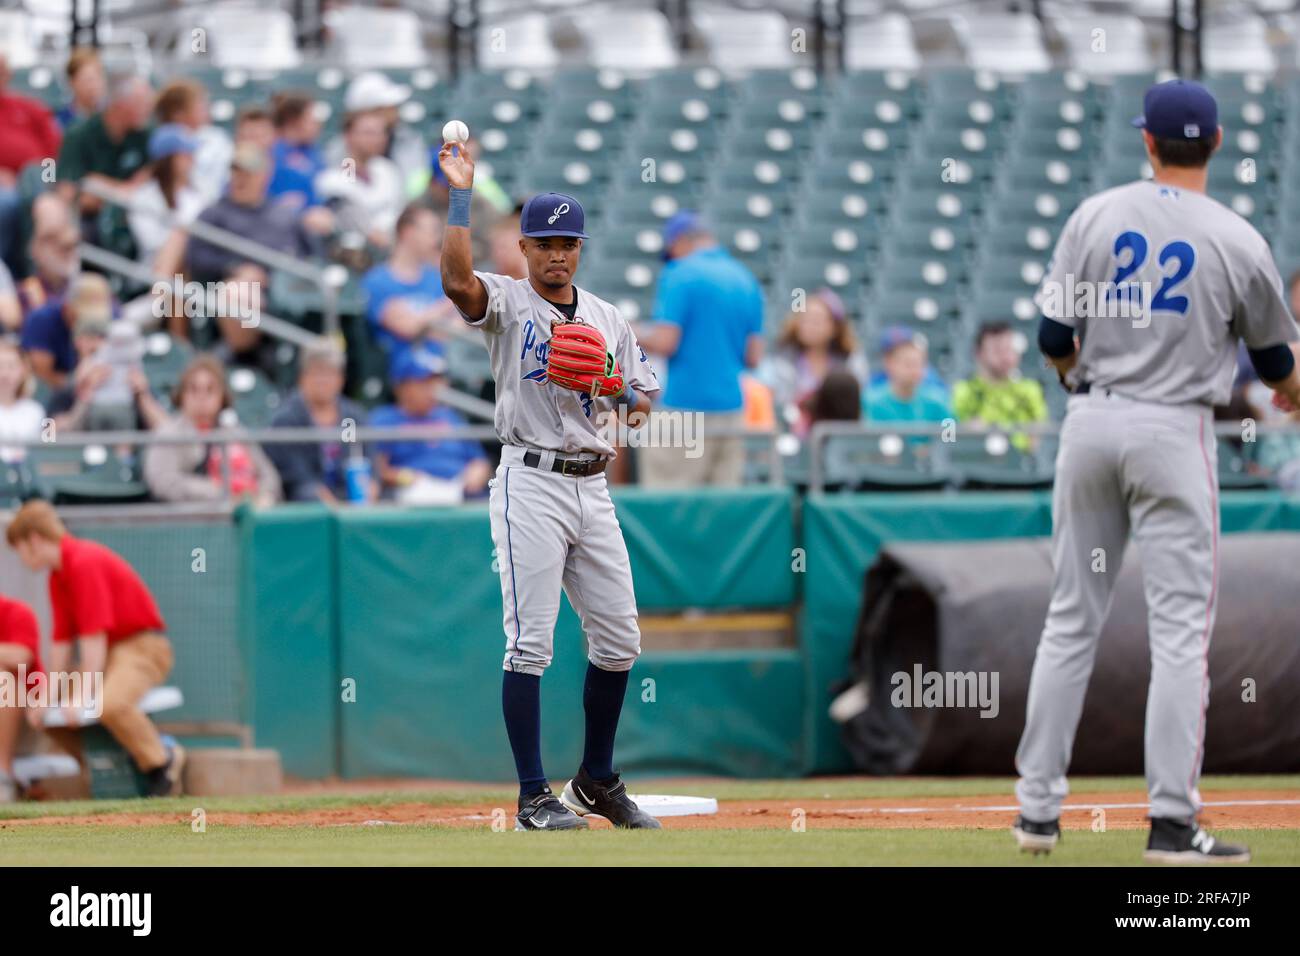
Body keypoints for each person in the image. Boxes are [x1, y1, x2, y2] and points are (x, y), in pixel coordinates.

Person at [1014, 79, 1300, 864]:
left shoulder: (1095, 215)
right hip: (1176, 429)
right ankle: (1171, 824)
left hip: (1093, 418)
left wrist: (1082, 380)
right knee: (1179, 637)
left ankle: (1037, 814)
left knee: (1070, 618)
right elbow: (1277, 363)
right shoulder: (1236, 236)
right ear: (1212, 143)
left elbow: (1051, 335)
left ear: (1147, 142)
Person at [437, 139, 663, 830]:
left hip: (592, 484)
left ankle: (595, 780)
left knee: (621, 639)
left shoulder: (607, 317)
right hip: (529, 479)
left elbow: (645, 405)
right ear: (525, 249)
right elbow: (454, 283)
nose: (557, 253)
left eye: (568, 241)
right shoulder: (506, 301)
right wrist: (460, 198)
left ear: (581, 247)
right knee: (530, 643)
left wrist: (612, 384)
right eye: (544, 242)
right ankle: (534, 795)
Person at [5, 499, 185, 797]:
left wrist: (81, 695)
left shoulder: (82, 561)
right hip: (108, 655)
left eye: (20, 549)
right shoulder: (56, 576)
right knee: (39, 704)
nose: (22, 559)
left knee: (108, 703)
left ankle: (161, 761)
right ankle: (106, 762)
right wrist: (48, 696)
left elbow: (93, 641)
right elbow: (61, 646)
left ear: (34, 540)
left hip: (141, 647)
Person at [637, 210, 764, 486]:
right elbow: (754, 357)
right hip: (732, 412)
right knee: (721, 513)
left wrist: (625, 329)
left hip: (684, 411)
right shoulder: (745, 278)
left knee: (667, 511)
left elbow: (665, 342)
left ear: (680, 242)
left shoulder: (681, 272)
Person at [143, 354, 282, 505]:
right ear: (181, 395)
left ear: (222, 396)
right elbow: (163, 483)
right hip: (192, 520)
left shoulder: (234, 431)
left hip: (243, 513)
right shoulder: (169, 434)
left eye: (210, 390)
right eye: (193, 389)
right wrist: (219, 492)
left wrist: (264, 497)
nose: (201, 397)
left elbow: (269, 475)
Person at [173, 143, 318, 284]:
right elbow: (197, 257)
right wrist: (234, 268)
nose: (240, 179)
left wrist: (277, 277)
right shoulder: (214, 213)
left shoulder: (285, 215)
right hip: (226, 291)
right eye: (236, 171)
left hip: (281, 294)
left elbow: (311, 257)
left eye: (248, 173)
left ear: (265, 176)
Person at [370, 342, 490, 504]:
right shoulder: (384, 419)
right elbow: (377, 469)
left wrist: (475, 474)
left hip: (461, 492)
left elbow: (479, 460)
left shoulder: (451, 416)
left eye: (436, 381)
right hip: (410, 495)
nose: (433, 389)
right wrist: (405, 477)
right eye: (424, 382)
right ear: (401, 387)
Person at [267, 341, 370, 503]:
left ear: (341, 379)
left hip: (349, 495)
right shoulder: (287, 419)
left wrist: (372, 485)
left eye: (330, 373)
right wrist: (322, 496)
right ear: (302, 377)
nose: (323, 381)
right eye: (316, 373)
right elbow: (294, 473)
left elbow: (364, 456)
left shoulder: (352, 417)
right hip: (304, 498)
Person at [761, 288, 868, 437]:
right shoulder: (780, 360)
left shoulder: (851, 361)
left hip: (841, 440)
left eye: (817, 320)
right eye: (805, 320)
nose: (809, 326)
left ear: (835, 326)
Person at [55, 72, 153, 230]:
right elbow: (70, 194)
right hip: (89, 223)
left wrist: (102, 186)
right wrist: (124, 190)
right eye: (142, 102)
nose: (148, 108)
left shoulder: (145, 134)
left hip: (137, 217)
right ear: (121, 103)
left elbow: (155, 177)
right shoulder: (80, 135)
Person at [360, 203, 456, 362]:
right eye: (432, 231)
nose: (437, 239)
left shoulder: (437, 279)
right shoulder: (377, 280)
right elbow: (406, 328)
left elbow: (455, 330)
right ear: (408, 232)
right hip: (397, 372)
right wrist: (448, 303)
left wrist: (421, 323)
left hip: (440, 368)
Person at [45, 314, 165, 433]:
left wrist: (143, 396)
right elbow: (49, 436)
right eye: (90, 337)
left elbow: (168, 430)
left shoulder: (134, 380)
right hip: (81, 450)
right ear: (77, 343)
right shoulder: (65, 389)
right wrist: (85, 395)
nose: (98, 345)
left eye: (104, 338)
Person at [0, 52, 62, 268]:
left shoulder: (29, 108)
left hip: (41, 177)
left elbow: (54, 153)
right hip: (5, 187)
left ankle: (46, 204)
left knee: (36, 174)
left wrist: (49, 181)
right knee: (6, 203)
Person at [324, 71, 427, 199]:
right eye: (388, 107)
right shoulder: (342, 149)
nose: (395, 111)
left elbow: (415, 183)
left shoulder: (407, 141)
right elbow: (345, 187)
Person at [951, 321, 1049, 449]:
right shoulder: (962, 391)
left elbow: (1042, 432)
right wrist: (965, 430)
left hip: (1020, 463)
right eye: (997, 350)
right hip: (974, 460)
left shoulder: (1030, 390)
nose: (1006, 356)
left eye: (1009, 349)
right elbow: (947, 435)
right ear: (978, 353)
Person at [315, 110, 404, 247]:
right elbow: (346, 191)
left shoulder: (388, 170)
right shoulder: (334, 177)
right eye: (369, 133)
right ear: (348, 136)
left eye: (381, 133)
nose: (378, 139)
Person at [126, 124, 205, 270]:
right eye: (186, 155)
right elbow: (151, 243)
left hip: (196, 268)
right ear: (170, 159)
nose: (192, 159)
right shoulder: (145, 197)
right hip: (156, 271)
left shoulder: (197, 192)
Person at [21, 271, 116, 390]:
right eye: (84, 315)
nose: (89, 322)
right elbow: (42, 377)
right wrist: (78, 379)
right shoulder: (42, 320)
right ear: (68, 306)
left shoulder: (113, 318)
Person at [0, 594, 42, 803]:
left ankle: (2, 776)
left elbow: (20, 657)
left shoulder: (15, 611)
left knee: (2, 678)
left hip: (26, 715)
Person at [863, 327, 952, 425]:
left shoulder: (939, 401)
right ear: (889, 363)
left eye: (919, 364)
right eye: (908, 364)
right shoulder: (870, 402)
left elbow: (950, 436)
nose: (914, 370)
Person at [17, 195, 79, 320]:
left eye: (66, 229)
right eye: (51, 237)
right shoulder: (24, 296)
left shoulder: (87, 288)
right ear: (32, 246)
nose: (66, 241)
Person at [0, 339, 44, 461]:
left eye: (11, 366)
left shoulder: (36, 410)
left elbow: (49, 447)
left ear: (23, 370)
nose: (5, 373)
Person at [55, 47, 104, 131]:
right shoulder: (61, 122)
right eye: (88, 80)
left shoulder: (110, 120)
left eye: (97, 78)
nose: (93, 86)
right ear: (72, 82)